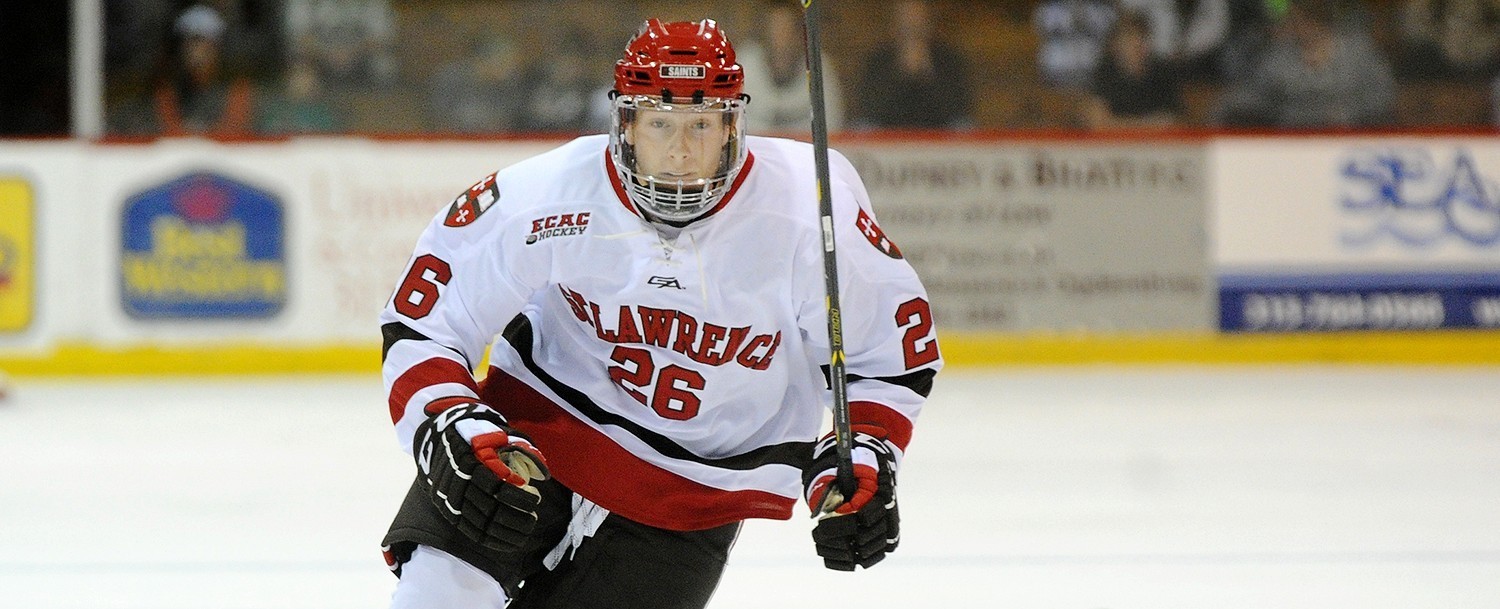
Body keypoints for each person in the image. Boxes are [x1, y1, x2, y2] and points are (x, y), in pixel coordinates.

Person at [377, 18, 941, 609]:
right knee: (435, 596)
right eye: (659, 124)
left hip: (696, 489)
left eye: (701, 124)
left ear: (733, 128)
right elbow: (426, 319)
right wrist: (447, 422)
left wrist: (866, 449)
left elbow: (892, 355)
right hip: (533, 439)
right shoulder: (549, 193)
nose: (679, 150)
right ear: (625, 124)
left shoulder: (809, 213)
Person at [1213, 0, 1396, 128]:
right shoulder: (1280, 55)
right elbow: (1253, 95)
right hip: (1290, 140)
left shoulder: (1358, 51)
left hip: (1351, 138)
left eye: (1301, 19)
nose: (1296, 25)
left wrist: (1348, 114)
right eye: (1294, 19)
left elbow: (1383, 94)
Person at [852, 0, 974, 129]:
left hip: (939, 138)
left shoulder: (949, 61)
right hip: (888, 137)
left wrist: (925, 70)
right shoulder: (877, 61)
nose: (912, 27)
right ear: (894, 25)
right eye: (906, 21)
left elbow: (957, 110)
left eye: (918, 21)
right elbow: (871, 111)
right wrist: (902, 71)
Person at [736, 0, 846, 134]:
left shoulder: (817, 65)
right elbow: (735, 123)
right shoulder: (746, 65)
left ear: (799, 33)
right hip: (758, 150)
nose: (781, 36)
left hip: (804, 151)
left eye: (787, 28)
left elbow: (831, 123)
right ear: (764, 31)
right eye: (775, 28)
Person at [1083, 10, 1186, 130]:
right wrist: (1146, 125)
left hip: (1157, 146)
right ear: (1115, 44)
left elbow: (1178, 121)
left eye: (1142, 36)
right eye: (1129, 37)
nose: (1137, 43)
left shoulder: (1163, 71)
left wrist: (1121, 124)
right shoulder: (1104, 73)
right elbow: (1099, 123)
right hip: (1115, 145)